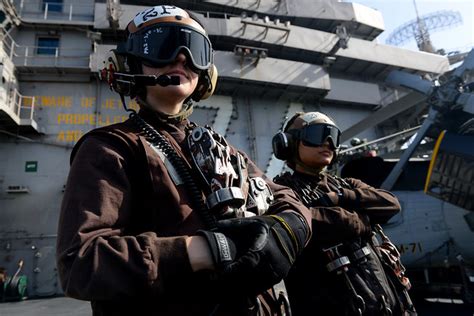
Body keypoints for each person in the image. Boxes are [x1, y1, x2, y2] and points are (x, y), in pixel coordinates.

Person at [56, 5, 311, 316]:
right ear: (128, 63)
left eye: (193, 50)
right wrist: (208, 250)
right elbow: (81, 263)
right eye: (162, 45)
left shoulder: (224, 150)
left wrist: (286, 228)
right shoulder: (111, 147)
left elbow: (285, 197)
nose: (180, 57)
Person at [272, 111, 416, 315]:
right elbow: (303, 220)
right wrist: (361, 221)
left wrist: (340, 198)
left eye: (333, 136)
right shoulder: (281, 190)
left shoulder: (346, 184)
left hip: (386, 302)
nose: (328, 143)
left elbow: (391, 203)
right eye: (317, 135)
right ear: (289, 144)